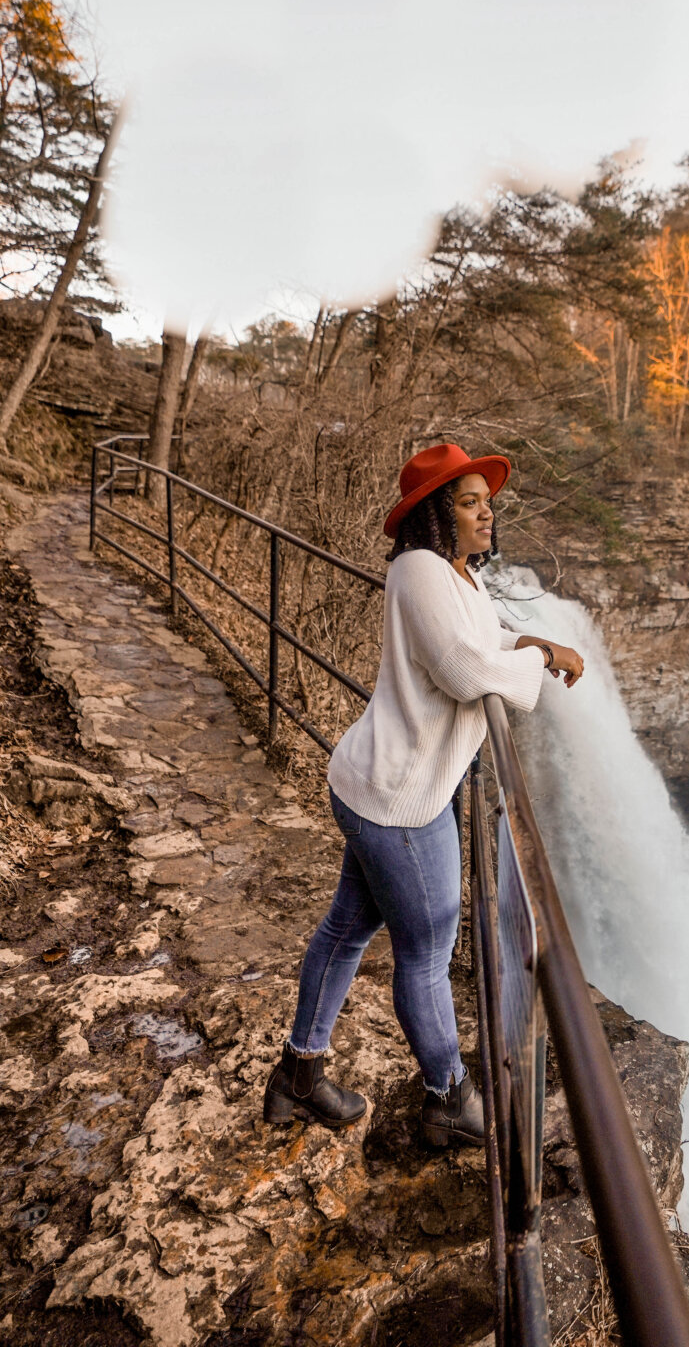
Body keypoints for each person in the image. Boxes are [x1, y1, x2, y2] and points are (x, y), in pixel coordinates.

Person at [263, 442, 584, 1146]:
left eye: (486, 502)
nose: (486, 514)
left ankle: (298, 1075)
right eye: (469, 503)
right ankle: (448, 1098)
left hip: (382, 785)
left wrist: (528, 641)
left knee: (347, 928)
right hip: (399, 803)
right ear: (436, 514)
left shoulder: (455, 574)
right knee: (427, 950)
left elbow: (479, 636)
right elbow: (465, 670)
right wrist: (537, 656)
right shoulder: (418, 568)